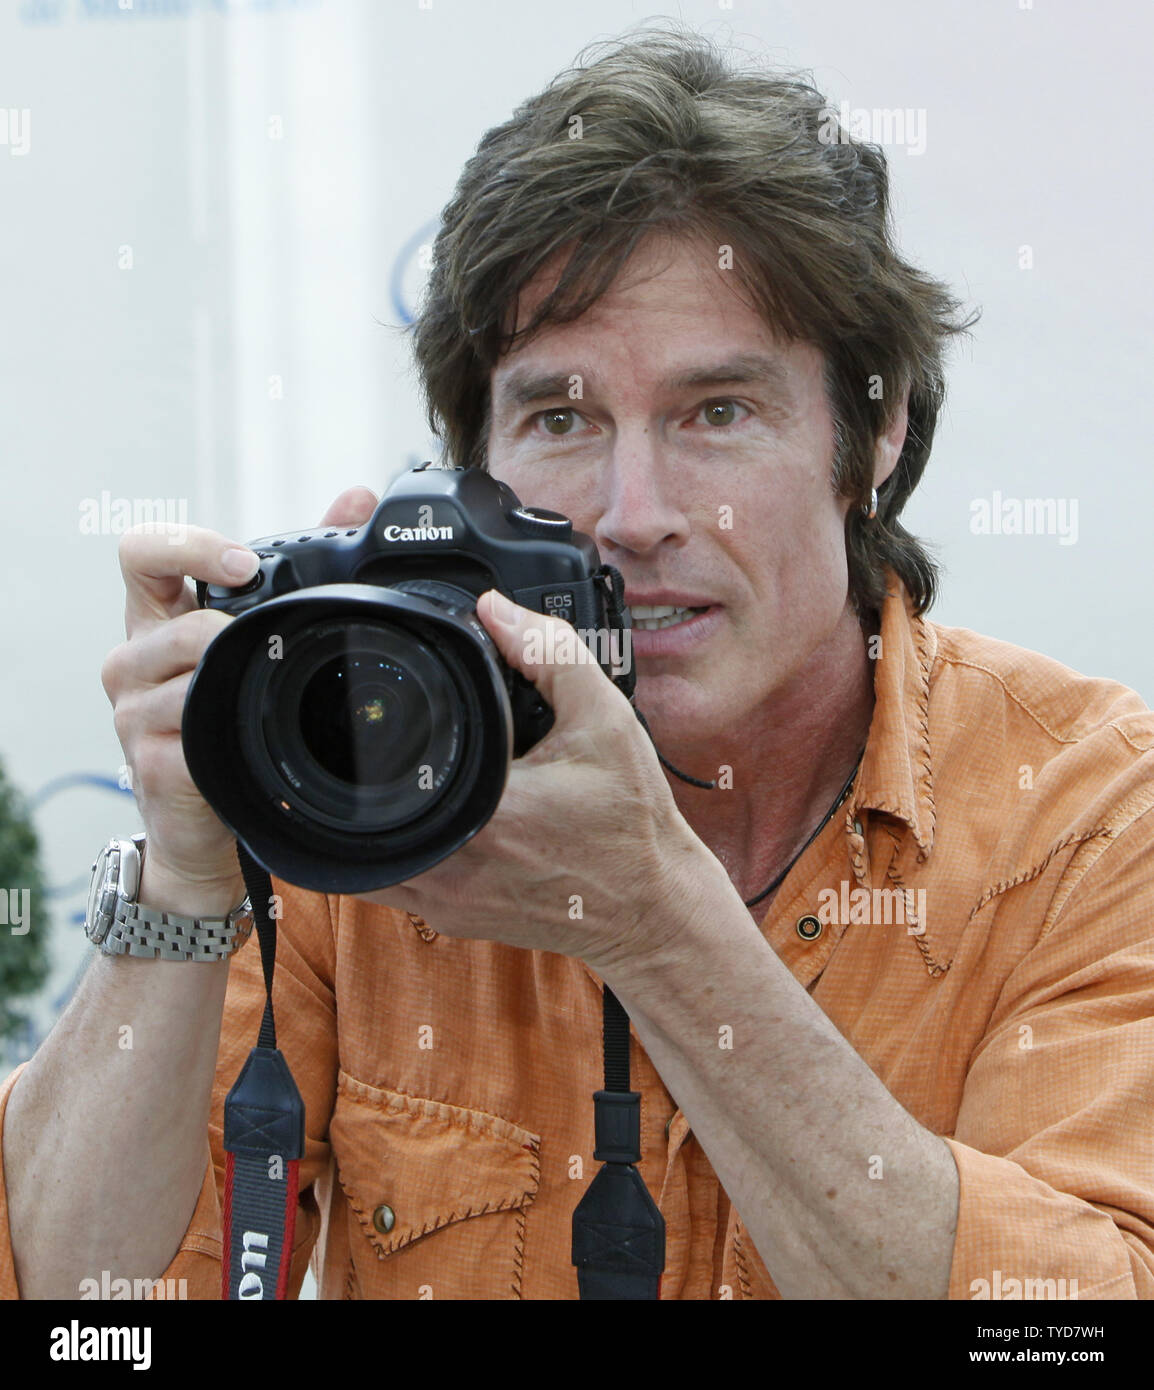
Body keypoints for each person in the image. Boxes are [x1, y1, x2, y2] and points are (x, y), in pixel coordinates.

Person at [4, 26, 1154, 1302]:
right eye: (560, 418)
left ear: (872, 430)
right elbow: (85, 1311)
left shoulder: (1088, 813)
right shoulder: (370, 767)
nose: (632, 509)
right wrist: (183, 871)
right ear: (471, 467)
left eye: (717, 413)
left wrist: (653, 927)